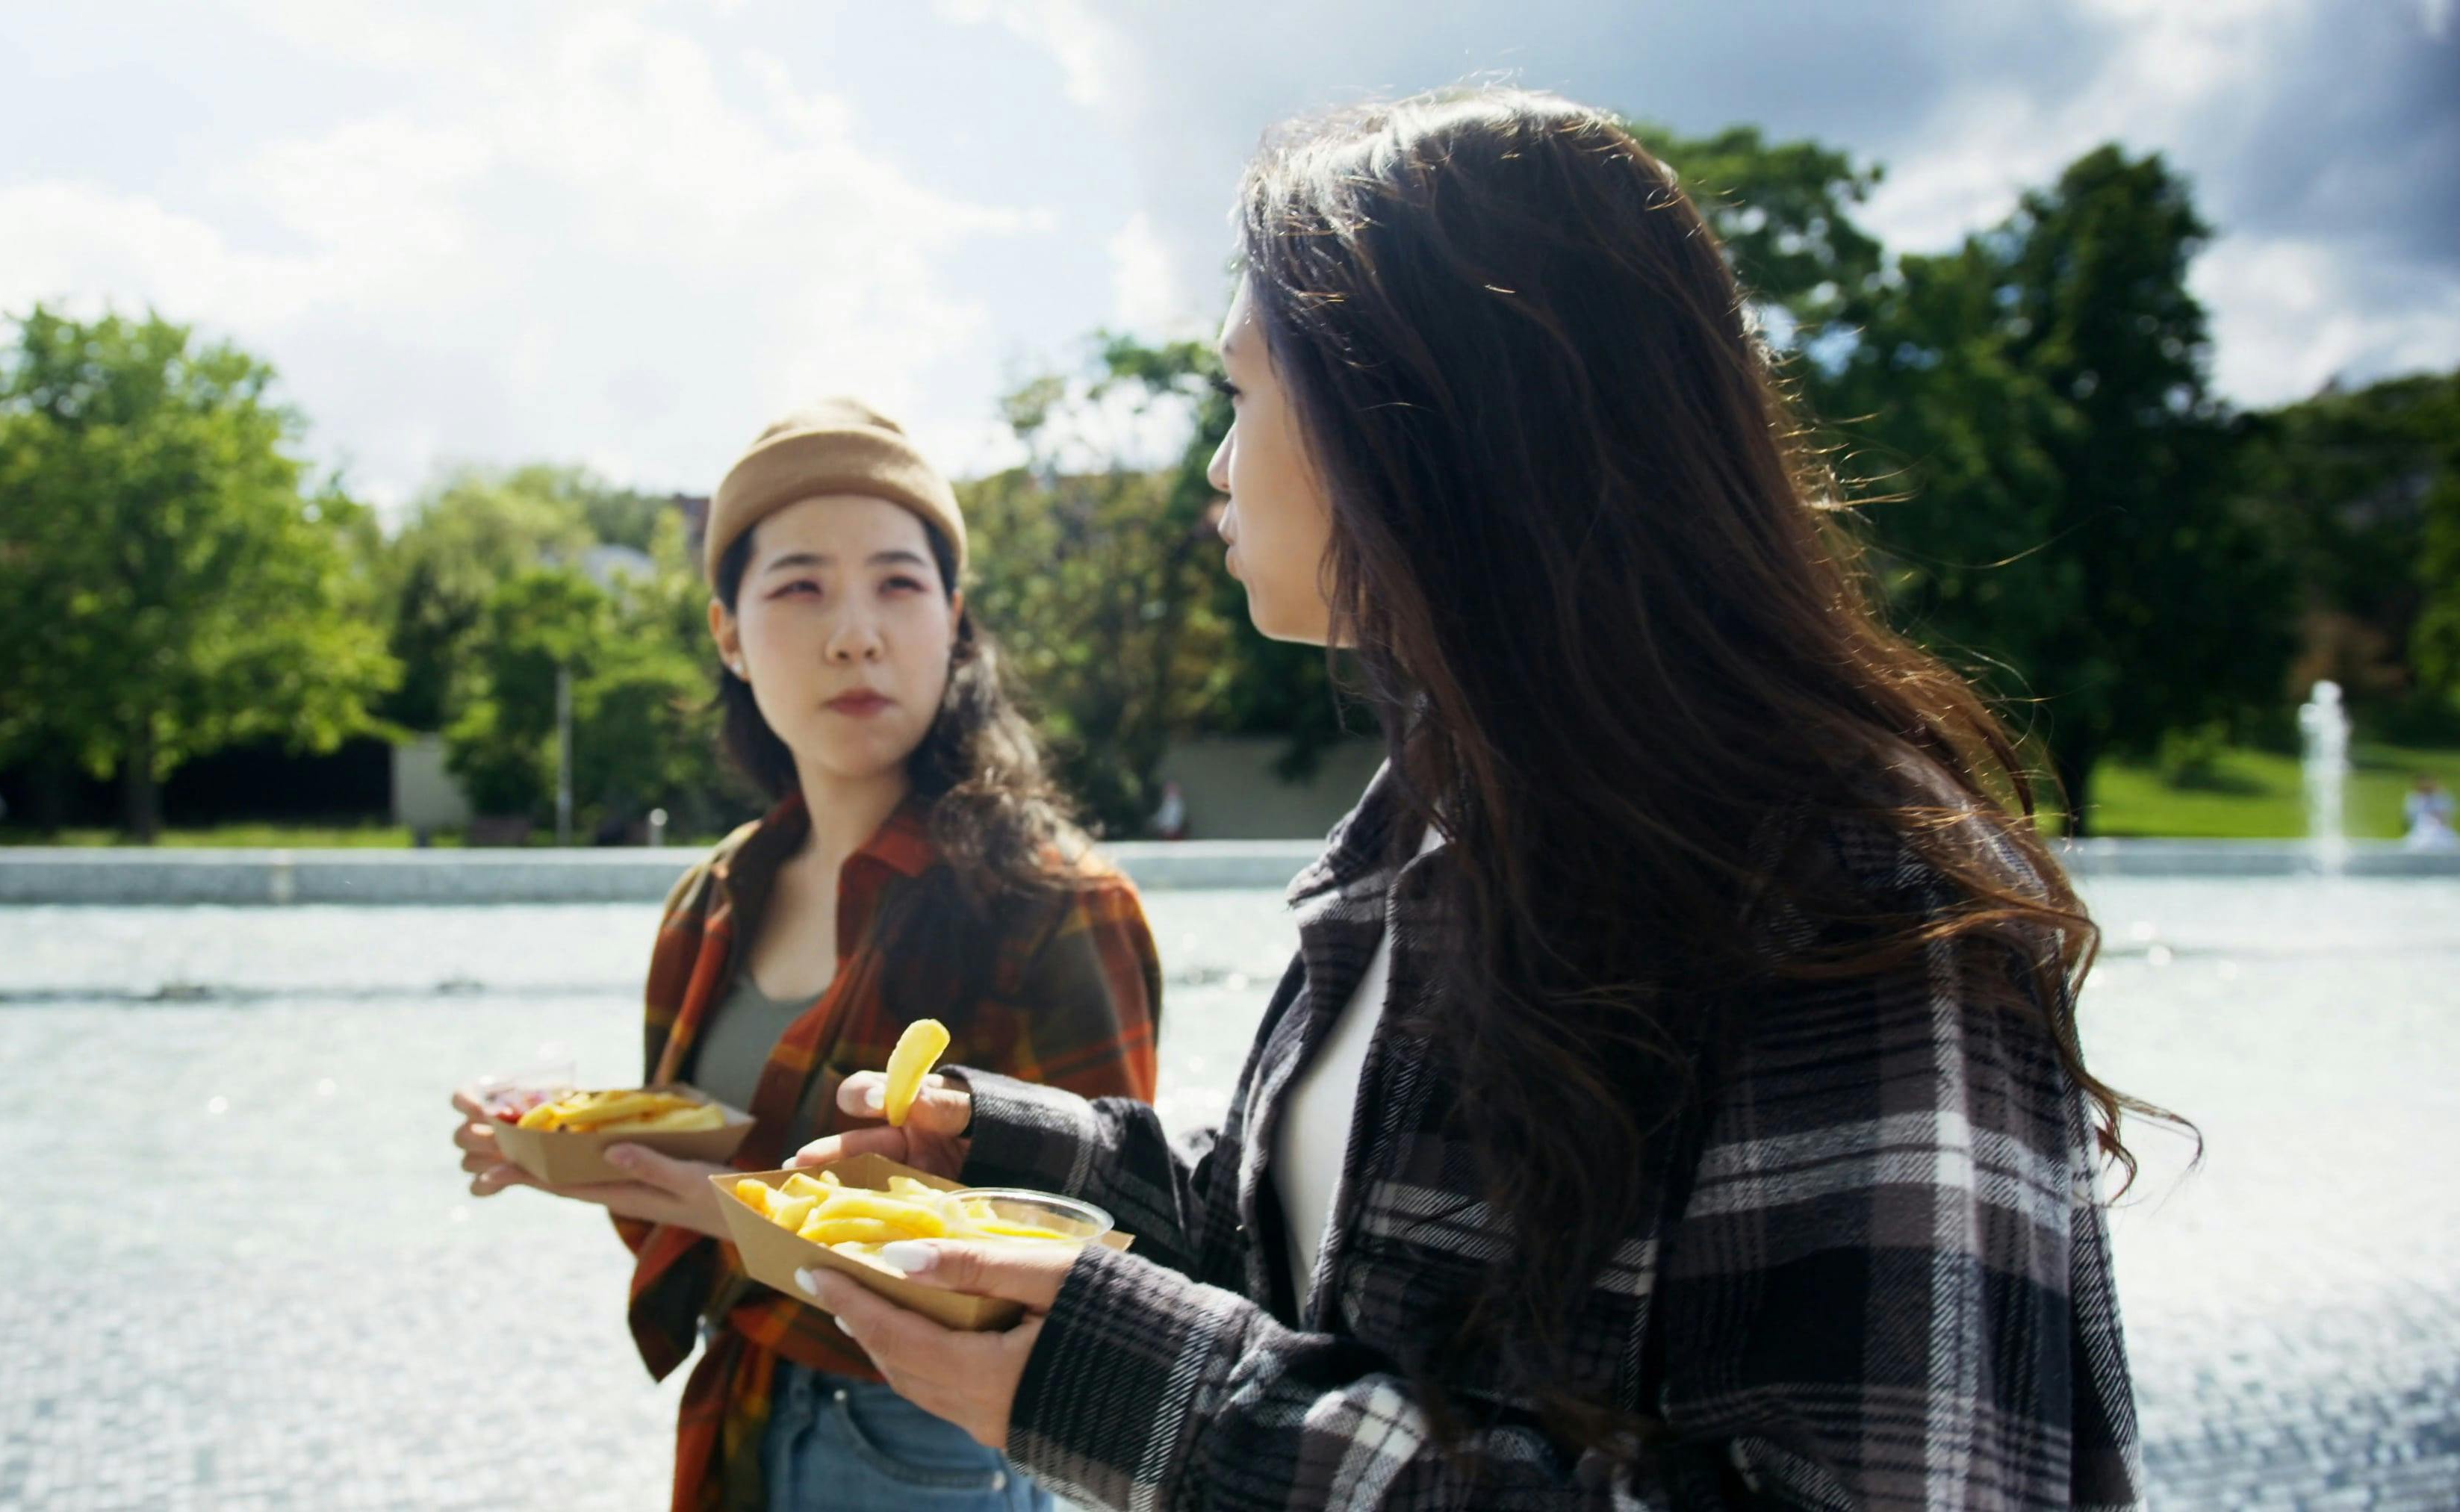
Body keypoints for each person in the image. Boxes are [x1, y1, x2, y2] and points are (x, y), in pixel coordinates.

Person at [787, 91, 2168, 1509]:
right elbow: (1339, 1250)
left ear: (1414, 412)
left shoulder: (1842, 883)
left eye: (1242, 392)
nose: (1215, 462)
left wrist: (1179, 1414)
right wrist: (1012, 1155)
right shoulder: (1439, 812)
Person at [448, 399, 1161, 1511]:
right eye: (798, 586)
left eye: (897, 583)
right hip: (743, 1415)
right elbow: (682, 1177)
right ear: (727, 632)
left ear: (955, 622)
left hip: (933, 1452)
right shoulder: (710, 900)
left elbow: (1101, 1269)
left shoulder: (1053, 905)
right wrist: (563, 1139)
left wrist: (724, 1202)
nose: (854, 633)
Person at [2408, 774, 2456, 851]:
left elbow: (2446, 817)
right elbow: (2413, 818)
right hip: (2422, 830)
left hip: (2441, 830)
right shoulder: (2414, 798)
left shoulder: (2442, 798)